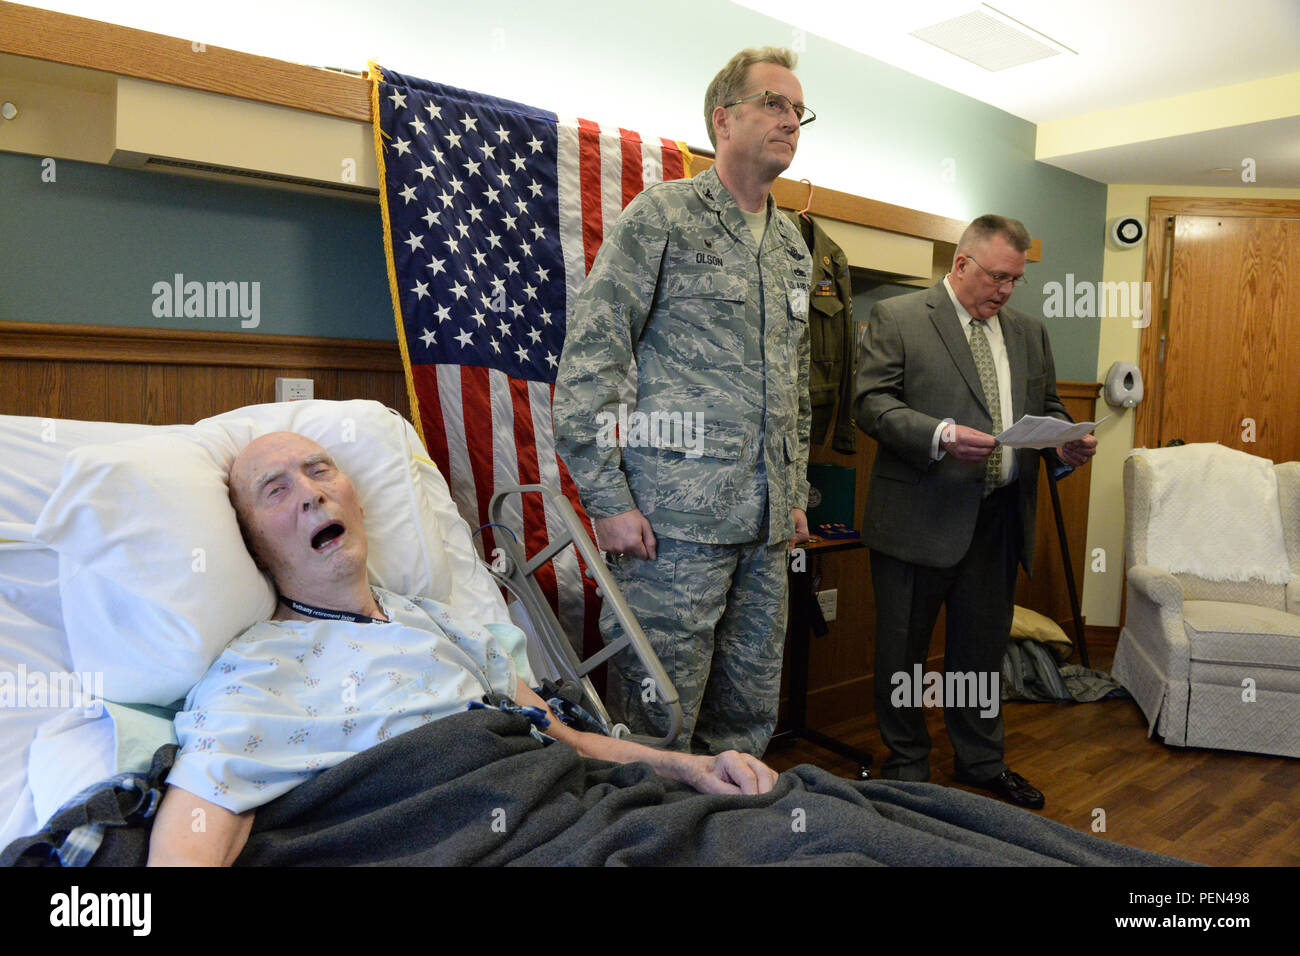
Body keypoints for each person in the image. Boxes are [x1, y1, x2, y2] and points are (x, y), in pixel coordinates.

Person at [145, 433, 778, 866]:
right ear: (255, 546)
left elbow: (570, 741)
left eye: (318, 470)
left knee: (808, 828)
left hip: (567, 812)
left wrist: (693, 768)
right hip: (460, 836)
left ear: (355, 500)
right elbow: (195, 833)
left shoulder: (448, 625)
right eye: (275, 490)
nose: (309, 492)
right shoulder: (257, 669)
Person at [552, 47, 814, 756]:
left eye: (799, 111)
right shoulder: (664, 216)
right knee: (655, 725)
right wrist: (605, 500)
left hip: (763, 531)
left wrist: (794, 492)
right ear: (722, 118)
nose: (791, 120)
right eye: (774, 104)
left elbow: (796, 384)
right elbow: (590, 363)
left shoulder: (793, 246)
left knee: (745, 724)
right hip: (672, 530)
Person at [853, 215, 1097, 809]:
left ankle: (981, 761)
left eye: (1016, 279)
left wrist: (1067, 444)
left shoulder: (1029, 333)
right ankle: (907, 764)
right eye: (996, 277)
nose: (1006, 290)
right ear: (961, 264)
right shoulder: (900, 317)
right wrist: (937, 434)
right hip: (919, 518)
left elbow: (1049, 409)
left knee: (980, 654)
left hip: (999, 521)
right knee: (903, 653)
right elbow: (870, 403)